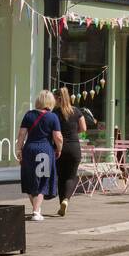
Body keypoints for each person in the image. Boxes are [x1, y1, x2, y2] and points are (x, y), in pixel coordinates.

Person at [16, 90, 63, 221]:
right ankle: (36, 211)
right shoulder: (53, 117)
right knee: (42, 181)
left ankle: (37, 208)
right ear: (51, 102)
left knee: (30, 179)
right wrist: (59, 149)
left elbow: (21, 135)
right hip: (45, 150)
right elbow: (58, 137)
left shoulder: (29, 115)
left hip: (29, 150)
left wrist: (18, 150)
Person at [53, 87, 88, 217]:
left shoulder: (54, 113)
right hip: (74, 147)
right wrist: (73, 132)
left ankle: (61, 202)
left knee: (61, 177)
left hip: (59, 147)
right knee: (71, 176)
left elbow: (52, 131)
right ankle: (66, 200)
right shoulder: (76, 111)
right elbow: (83, 128)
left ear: (57, 98)